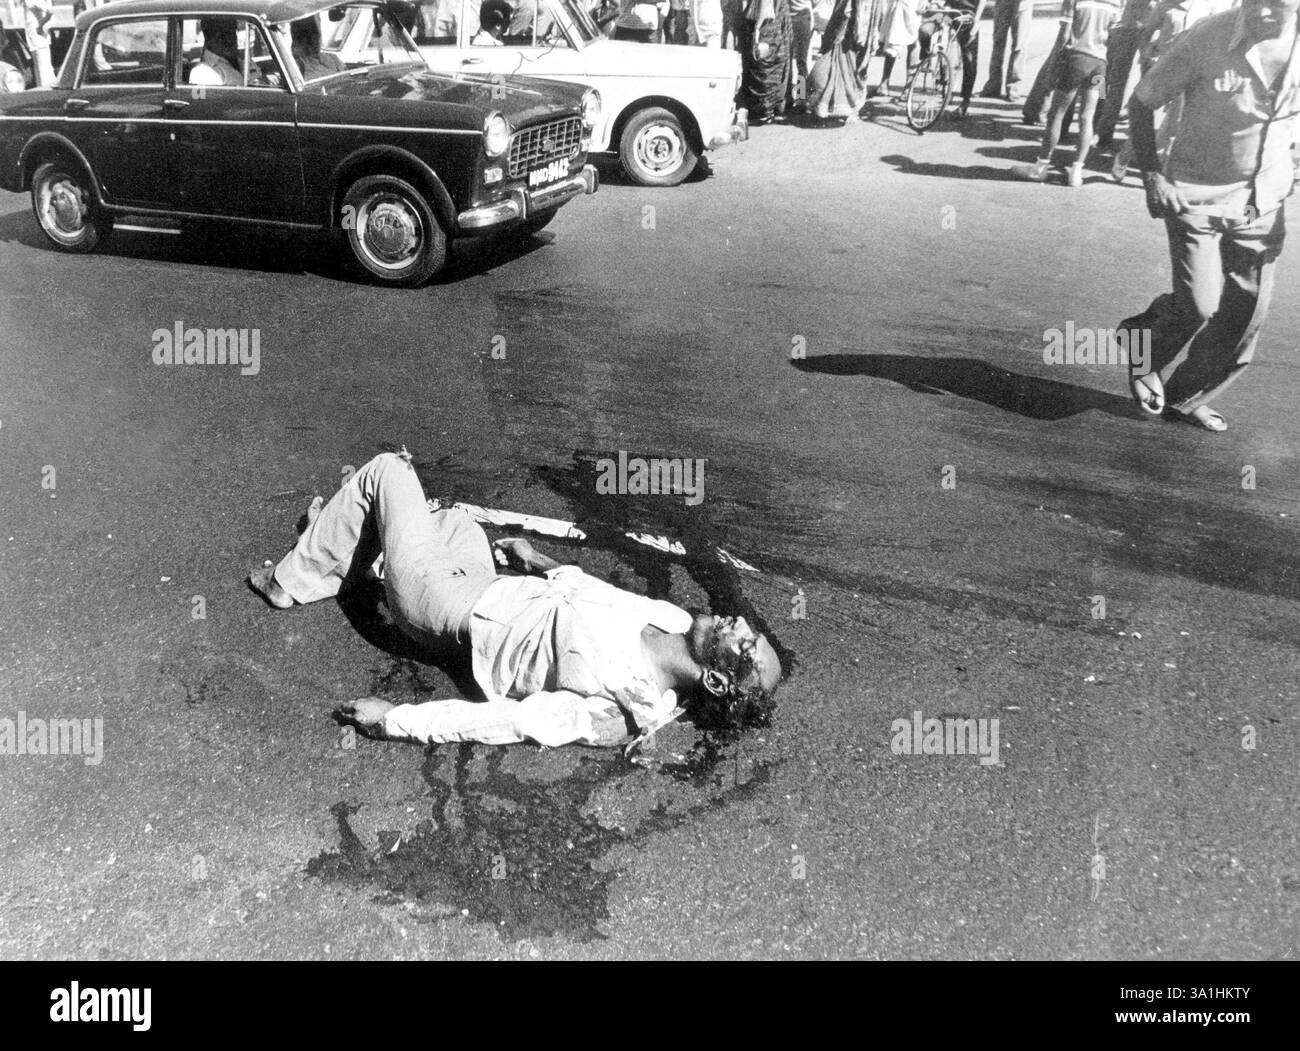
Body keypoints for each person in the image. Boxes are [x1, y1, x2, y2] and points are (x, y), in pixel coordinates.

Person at [248, 452, 782, 748]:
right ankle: (348, 548)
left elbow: (505, 723)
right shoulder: (672, 620)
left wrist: (393, 720)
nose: (741, 623)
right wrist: (542, 563)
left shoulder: (618, 705)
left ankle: (289, 582)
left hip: (443, 608)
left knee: (389, 469)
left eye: (746, 643)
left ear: (717, 678)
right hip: (484, 579)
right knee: (452, 519)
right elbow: (597, 595)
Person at [1120, 0, 1300, 432]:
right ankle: (1141, 341)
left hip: (1264, 198)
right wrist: (1152, 177)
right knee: (1198, 305)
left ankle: (1187, 396)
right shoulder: (1207, 37)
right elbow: (1142, 103)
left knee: (1245, 312)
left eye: (1278, 5)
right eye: (1256, 2)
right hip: (1195, 194)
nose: (1264, 13)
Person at [1012, 0, 1121, 185]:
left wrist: (1053, 65)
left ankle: (1041, 167)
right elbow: (1114, 39)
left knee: (1057, 114)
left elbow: (1064, 35)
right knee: (1087, 116)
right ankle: (1077, 172)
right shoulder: (1115, 3)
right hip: (1099, 65)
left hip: (1075, 59)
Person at [1093, 0, 1156, 147]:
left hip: (1131, 25)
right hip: (1135, 27)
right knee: (1113, 83)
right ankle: (1101, 131)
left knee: (1111, 81)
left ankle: (1100, 130)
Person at [917, 0, 986, 117]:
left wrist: (977, 21)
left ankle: (965, 101)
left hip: (967, 15)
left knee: (970, 58)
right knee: (924, 31)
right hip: (946, 9)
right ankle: (926, 57)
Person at [807, 0, 874, 115]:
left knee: (841, 72)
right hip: (859, 35)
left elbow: (844, 12)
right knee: (850, 73)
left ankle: (802, 100)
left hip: (846, 34)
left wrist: (833, 35)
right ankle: (850, 110)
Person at [738, 0, 794, 121]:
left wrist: (757, 28)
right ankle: (785, 104)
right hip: (780, 21)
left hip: (767, 22)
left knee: (799, 65)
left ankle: (801, 98)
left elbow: (764, 6)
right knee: (788, 63)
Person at [981, 0, 1035, 101]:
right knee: (998, 42)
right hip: (1002, 3)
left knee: (1019, 45)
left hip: (1023, 4)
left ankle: (1013, 88)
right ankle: (993, 86)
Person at [189, 18, 269, 86]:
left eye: (232, 32)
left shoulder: (242, 60)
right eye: (222, 34)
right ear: (209, 36)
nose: (230, 39)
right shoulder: (203, 72)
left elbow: (258, 81)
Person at [874, 0, 922, 99]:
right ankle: (884, 83)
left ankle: (909, 87)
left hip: (915, 5)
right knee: (892, 38)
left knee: (913, 40)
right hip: (895, 3)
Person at [22, 0, 55, 88]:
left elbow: (50, 11)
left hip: (39, 41)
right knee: (40, 71)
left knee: (44, 71)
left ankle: (47, 93)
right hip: (35, 41)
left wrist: (41, 26)